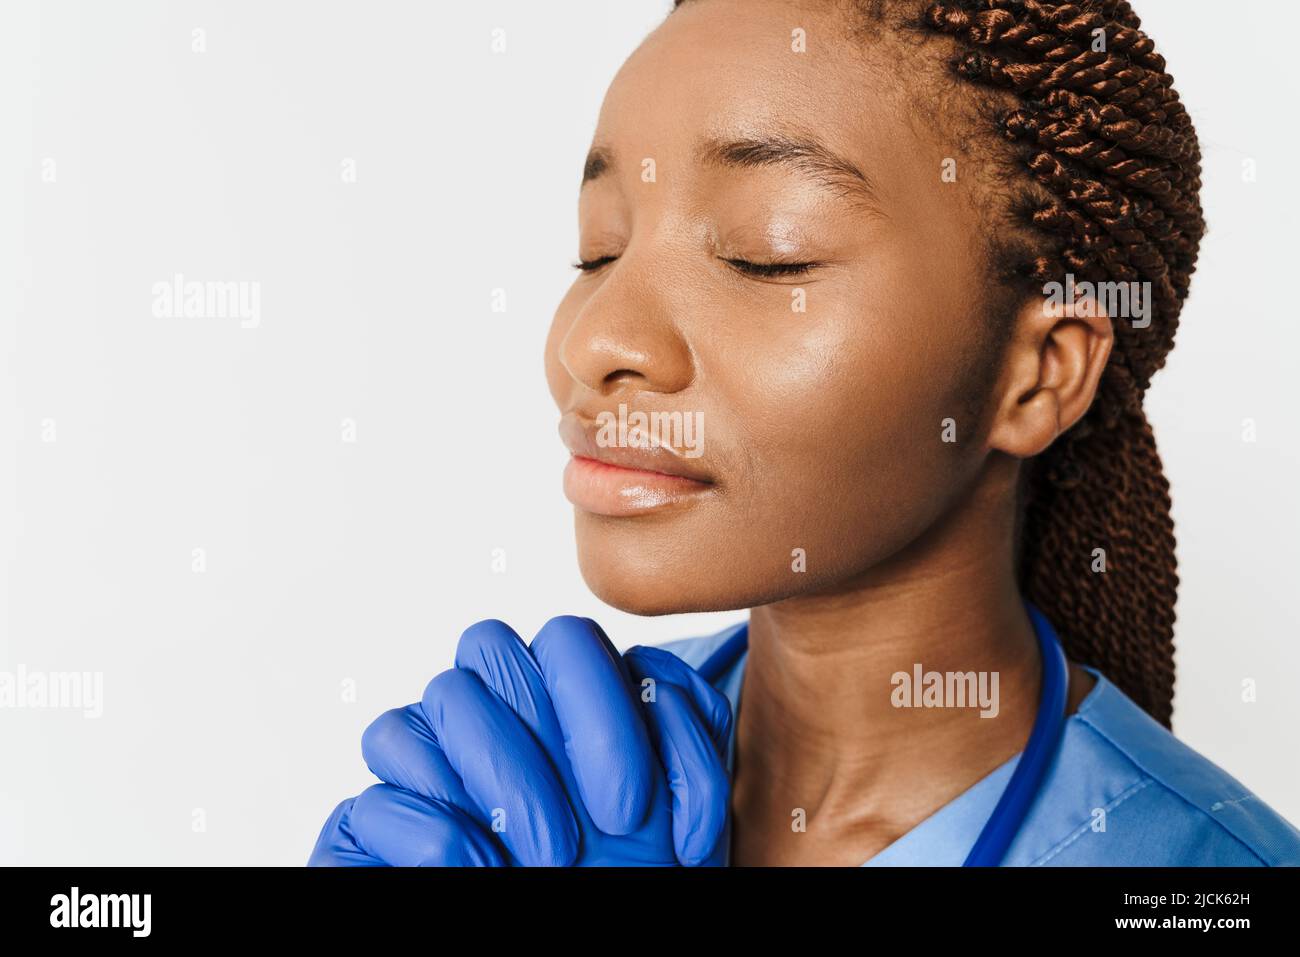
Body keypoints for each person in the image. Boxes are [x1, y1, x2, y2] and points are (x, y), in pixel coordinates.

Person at [310, 0, 1300, 866]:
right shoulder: (534, 790)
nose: (596, 339)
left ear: (1037, 372)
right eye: (598, 249)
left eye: (763, 255)